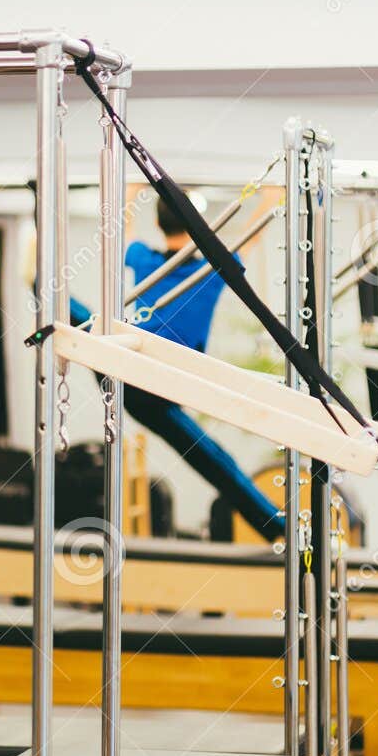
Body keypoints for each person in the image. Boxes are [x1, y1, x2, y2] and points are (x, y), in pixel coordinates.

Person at [114, 198, 287, 541]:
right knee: (216, 462)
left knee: (214, 459)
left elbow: (125, 226)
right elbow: (249, 237)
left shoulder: (144, 260)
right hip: (159, 384)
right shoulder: (210, 270)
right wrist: (270, 199)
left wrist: (131, 192)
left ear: (161, 225)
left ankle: (277, 527)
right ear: (194, 227)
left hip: (134, 379)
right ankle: (277, 528)